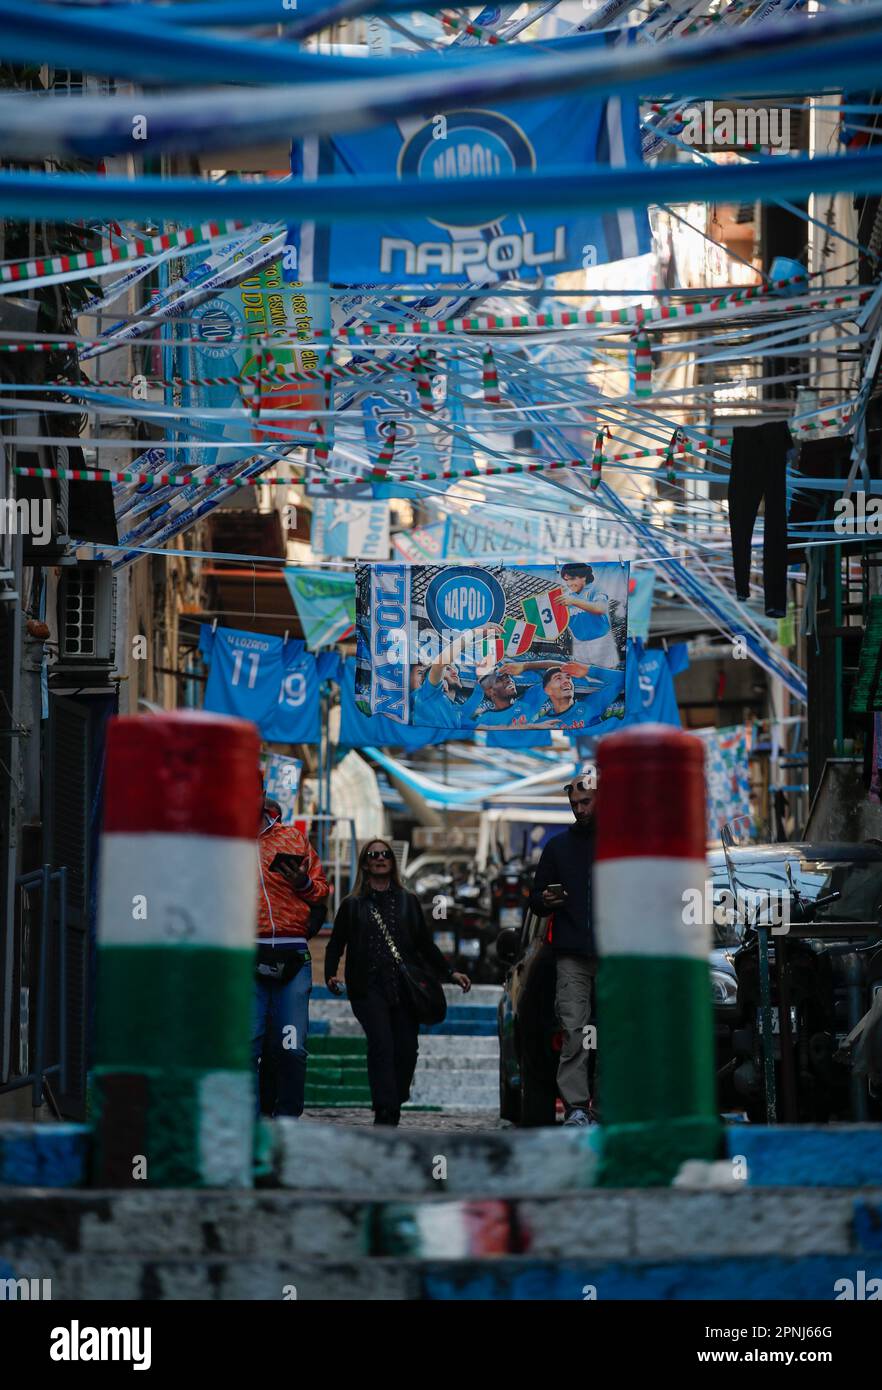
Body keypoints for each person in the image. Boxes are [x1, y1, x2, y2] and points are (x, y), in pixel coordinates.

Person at [325, 839, 471, 1125]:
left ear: (392, 862)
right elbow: (335, 943)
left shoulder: (408, 901)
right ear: (365, 863)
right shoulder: (351, 905)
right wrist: (331, 972)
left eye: (385, 855)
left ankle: (394, 1097)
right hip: (367, 989)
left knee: (406, 1049)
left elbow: (424, 944)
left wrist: (450, 972)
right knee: (381, 1045)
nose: (379, 858)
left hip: (405, 989)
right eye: (373, 855)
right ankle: (385, 1110)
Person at [254, 779, 329, 1118]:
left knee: (292, 1047)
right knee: (246, 1048)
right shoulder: (222, 842)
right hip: (245, 956)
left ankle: (287, 1124)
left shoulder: (292, 838)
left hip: (292, 954)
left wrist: (303, 883)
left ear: (260, 794)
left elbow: (322, 892)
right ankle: (245, 1125)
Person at [528, 773, 599, 1126]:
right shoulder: (557, 848)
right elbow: (536, 900)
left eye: (585, 802)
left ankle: (607, 1105)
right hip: (571, 953)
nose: (579, 810)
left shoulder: (620, 844)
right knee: (574, 1031)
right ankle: (576, 1107)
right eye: (574, 804)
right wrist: (546, 898)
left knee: (614, 1031)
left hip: (613, 953)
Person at [559, 563, 615, 668]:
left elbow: (600, 608)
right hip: (579, 644)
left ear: (584, 577)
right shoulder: (567, 597)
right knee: (583, 679)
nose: (569, 583)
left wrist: (574, 601)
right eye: (566, 580)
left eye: (572, 579)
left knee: (605, 677)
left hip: (600, 642)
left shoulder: (595, 589)